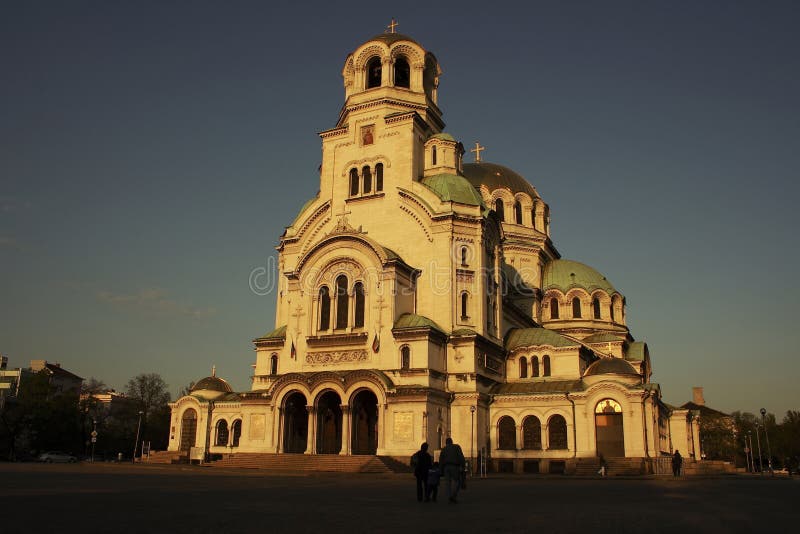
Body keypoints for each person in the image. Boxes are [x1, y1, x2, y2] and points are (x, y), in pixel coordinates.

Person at [439, 437, 466, 503]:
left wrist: (440, 469)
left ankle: (449, 496)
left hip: (446, 467)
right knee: (457, 481)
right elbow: (461, 457)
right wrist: (463, 465)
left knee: (448, 483)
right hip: (454, 466)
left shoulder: (444, 449)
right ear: (452, 441)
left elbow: (441, 460)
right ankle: (454, 495)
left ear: (446, 443)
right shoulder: (457, 447)